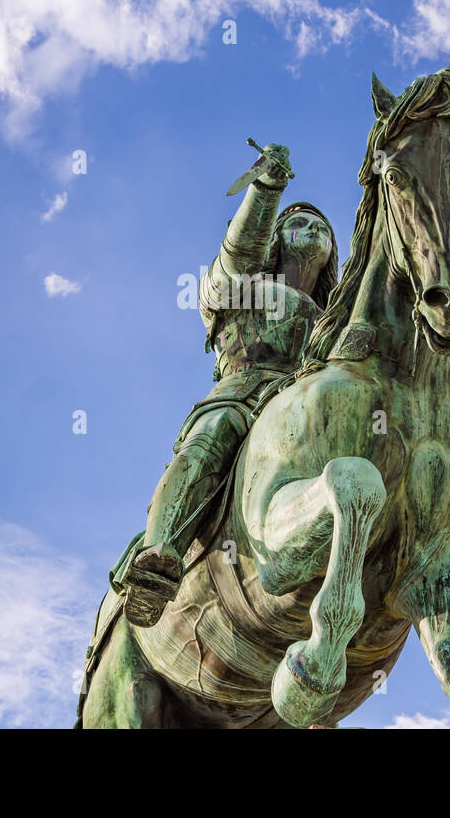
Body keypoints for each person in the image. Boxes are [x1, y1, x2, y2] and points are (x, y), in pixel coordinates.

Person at [118, 144, 338, 627]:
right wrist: (267, 189)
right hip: (242, 395)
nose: (313, 231)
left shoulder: (332, 320)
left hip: (313, 409)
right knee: (211, 440)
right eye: (299, 224)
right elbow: (239, 250)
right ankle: (160, 555)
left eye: (322, 228)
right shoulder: (237, 287)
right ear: (276, 239)